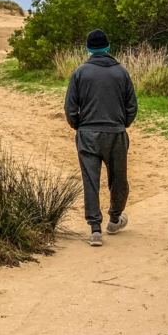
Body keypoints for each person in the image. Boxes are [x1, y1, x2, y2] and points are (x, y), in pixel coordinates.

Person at [64, 29, 138, 247]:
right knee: (118, 178)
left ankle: (95, 229)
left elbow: (70, 108)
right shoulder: (121, 72)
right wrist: (122, 123)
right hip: (115, 134)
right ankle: (114, 219)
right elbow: (132, 106)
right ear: (108, 47)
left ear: (88, 49)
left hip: (87, 135)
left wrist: (78, 126)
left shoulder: (80, 72)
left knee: (90, 181)